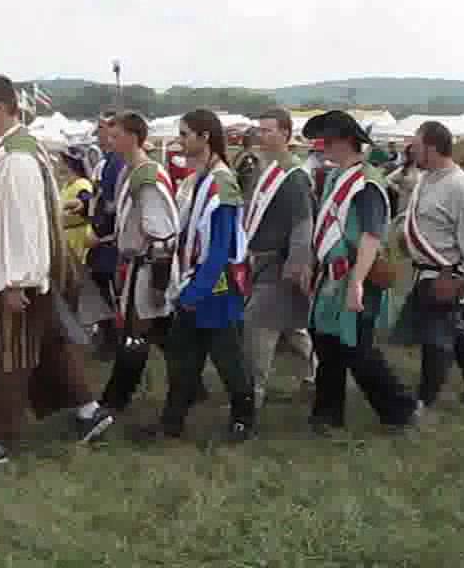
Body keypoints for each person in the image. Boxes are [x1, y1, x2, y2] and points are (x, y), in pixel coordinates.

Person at [0, 76, 112, 471]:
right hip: (12, 273)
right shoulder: (10, 150)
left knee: (4, 354)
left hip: (12, 277)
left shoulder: (16, 157)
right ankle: (89, 412)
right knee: (48, 343)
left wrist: (15, 281)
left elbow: (22, 222)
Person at [138, 110, 255, 441]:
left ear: (205, 137)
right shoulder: (202, 179)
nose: (180, 140)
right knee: (182, 357)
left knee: (228, 359)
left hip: (215, 287)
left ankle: (243, 419)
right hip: (196, 281)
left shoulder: (221, 183)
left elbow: (220, 248)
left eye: (185, 134)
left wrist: (194, 292)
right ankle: (171, 423)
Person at [301, 110, 418, 434]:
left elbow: (371, 235)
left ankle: (401, 409)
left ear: (346, 141)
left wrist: (356, 283)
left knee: (358, 350)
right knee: (327, 344)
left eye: (328, 140)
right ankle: (327, 413)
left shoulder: (366, 182)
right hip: (332, 276)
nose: (322, 146)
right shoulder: (337, 177)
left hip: (356, 275)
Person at [391, 121, 464, 408]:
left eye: (416, 146)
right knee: (457, 330)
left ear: (432, 148)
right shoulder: (427, 178)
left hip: (444, 275)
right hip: (429, 272)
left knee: (435, 338)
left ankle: (425, 397)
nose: (412, 152)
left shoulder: (459, 187)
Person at [97, 111, 180, 415]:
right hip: (138, 265)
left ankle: (115, 400)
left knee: (136, 334)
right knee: (161, 334)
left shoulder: (146, 177)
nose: (109, 141)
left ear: (133, 137)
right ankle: (189, 387)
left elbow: (161, 237)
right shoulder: (133, 171)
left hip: (148, 269)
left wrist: (158, 284)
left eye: (115, 135)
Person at [242, 108, 317, 409]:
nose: (261, 135)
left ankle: (253, 396)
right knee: (293, 328)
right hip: (261, 261)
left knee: (258, 327)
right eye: (260, 130)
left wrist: (295, 267)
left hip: (279, 265)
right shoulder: (266, 168)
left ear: (285, 133)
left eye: (268, 130)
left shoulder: (294, 176)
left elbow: (303, 224)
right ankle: (315, 375)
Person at [87, 112, 125, 361]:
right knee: (101, 286)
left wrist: (101, 236)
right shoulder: (109, 160)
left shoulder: (118, 162)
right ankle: (107, 336)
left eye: (102, 128)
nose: (98, 134)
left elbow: (115, 206)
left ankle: (113, 340)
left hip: (111, 241)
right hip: (103, 237)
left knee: (110, 290)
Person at [58, 146, 96, 270]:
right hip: (67, 247)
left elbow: (88, 213)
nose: (58, 162)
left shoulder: (82, 184)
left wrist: (60, 222)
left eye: (61, 160)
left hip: (77, 249)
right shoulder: (66, 185)